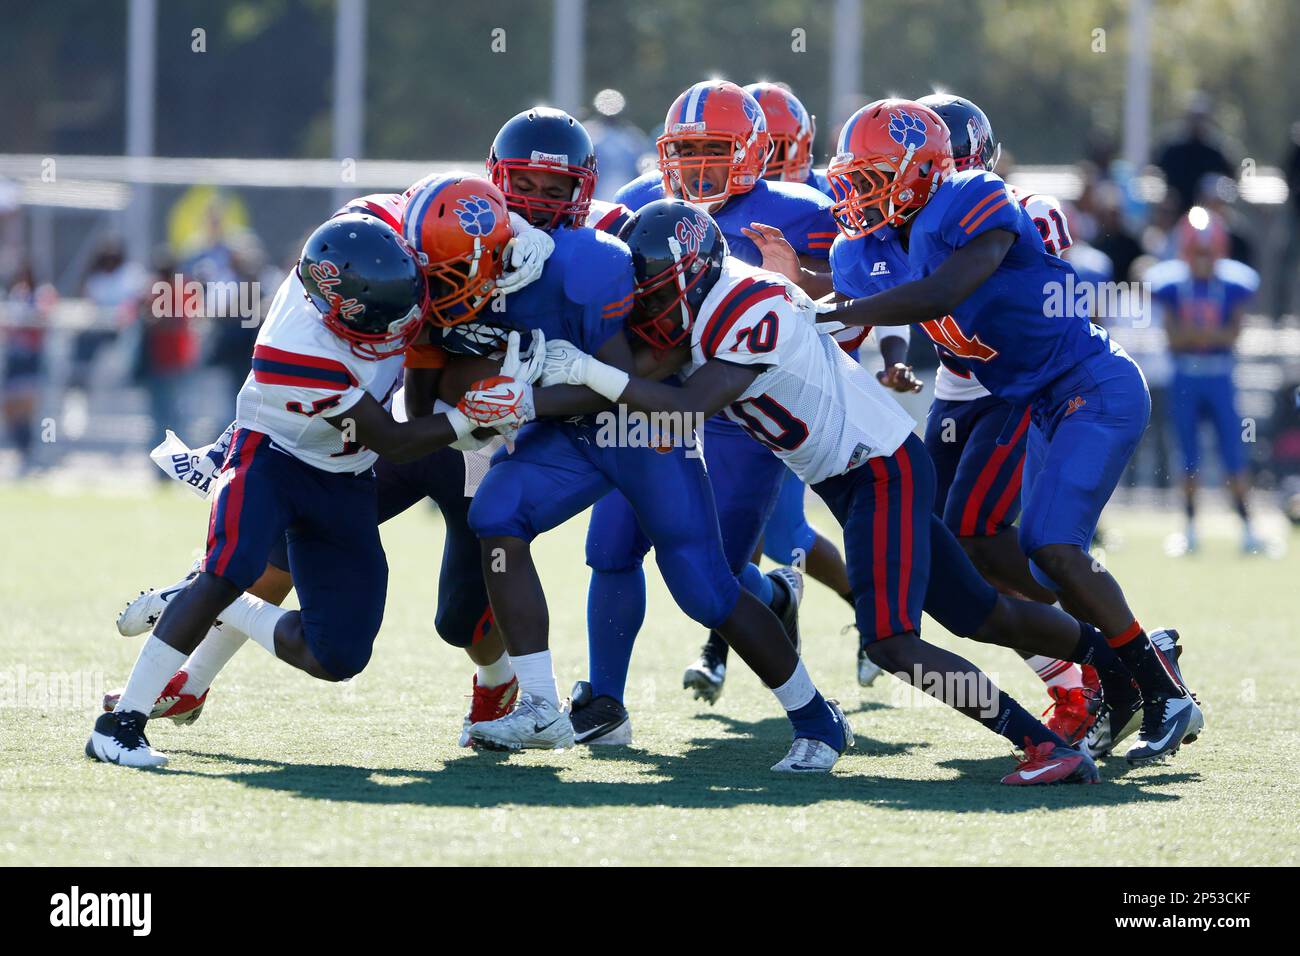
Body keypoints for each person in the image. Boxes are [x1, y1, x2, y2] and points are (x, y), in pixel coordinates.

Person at [463, 199, 1204, 784]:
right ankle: (1120, 663)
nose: (646, 309)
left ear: (688, 275)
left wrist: (589, 374)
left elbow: (685, 404)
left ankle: (1041, 744)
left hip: (874, 469)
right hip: (862, 472)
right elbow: (649, 372)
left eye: (653, 293)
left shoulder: (747, 305)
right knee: (979, 612)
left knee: (891, 641)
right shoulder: (705, 300)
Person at [814, 99, 1203, 763]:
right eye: (855, 176)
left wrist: (826, 312)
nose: (856, 193)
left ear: (919, 173)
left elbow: (939, 293)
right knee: (980, 542)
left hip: (1089, 387)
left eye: (874, 177)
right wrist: (791, 297)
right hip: (1028, 396)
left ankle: (1164, 691)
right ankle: (1120, 660)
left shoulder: (973, 196)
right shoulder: (867, 247)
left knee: (1051, 544)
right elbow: (862, 315)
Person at [107, 174, 557, 747]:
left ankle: (498, 683)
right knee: (273, 554)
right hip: (395, 429)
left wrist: (520, 233)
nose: (433, 297)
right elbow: (402, 425)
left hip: (459, 446)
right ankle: (191, 675)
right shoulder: (334, 309)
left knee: (460, 617)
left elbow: (467, 210)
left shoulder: (451, 228)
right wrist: (469, 413)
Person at [583, 80, 848, 725]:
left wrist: (801, 284)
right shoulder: (637, 202)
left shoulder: (802, 210)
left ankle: (772, 609)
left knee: (712, 579)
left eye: (716, 148)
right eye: (688, 148)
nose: (699, 163)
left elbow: (849, 314)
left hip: (746, 413)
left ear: (756, 150)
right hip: (655, 399)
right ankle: (605, 700)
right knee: (612, 546)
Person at [746, 80, 915, 688]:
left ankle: (873, 626)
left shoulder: (826, 200)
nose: (767, 156)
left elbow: (879, 287)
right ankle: (863, 621)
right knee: (763, 529)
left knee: (780, 528)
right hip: (749, 382)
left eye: (778, 144)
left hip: (819, 379)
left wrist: (894, 352)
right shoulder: (712, 200)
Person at [1148, 207, 1260, 554]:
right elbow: (1174, 339)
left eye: (1207, 252)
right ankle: (1190, 528)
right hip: (1186, 377)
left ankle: (1247, 528)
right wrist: (1209, 334)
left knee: (1234, 453)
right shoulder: (1170, 284)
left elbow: (1232, 335)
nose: (1202, 260)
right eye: (1197, 251)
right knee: (1188, 456)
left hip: (1220, 377)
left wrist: (1196, 334)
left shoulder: (1233, 283)